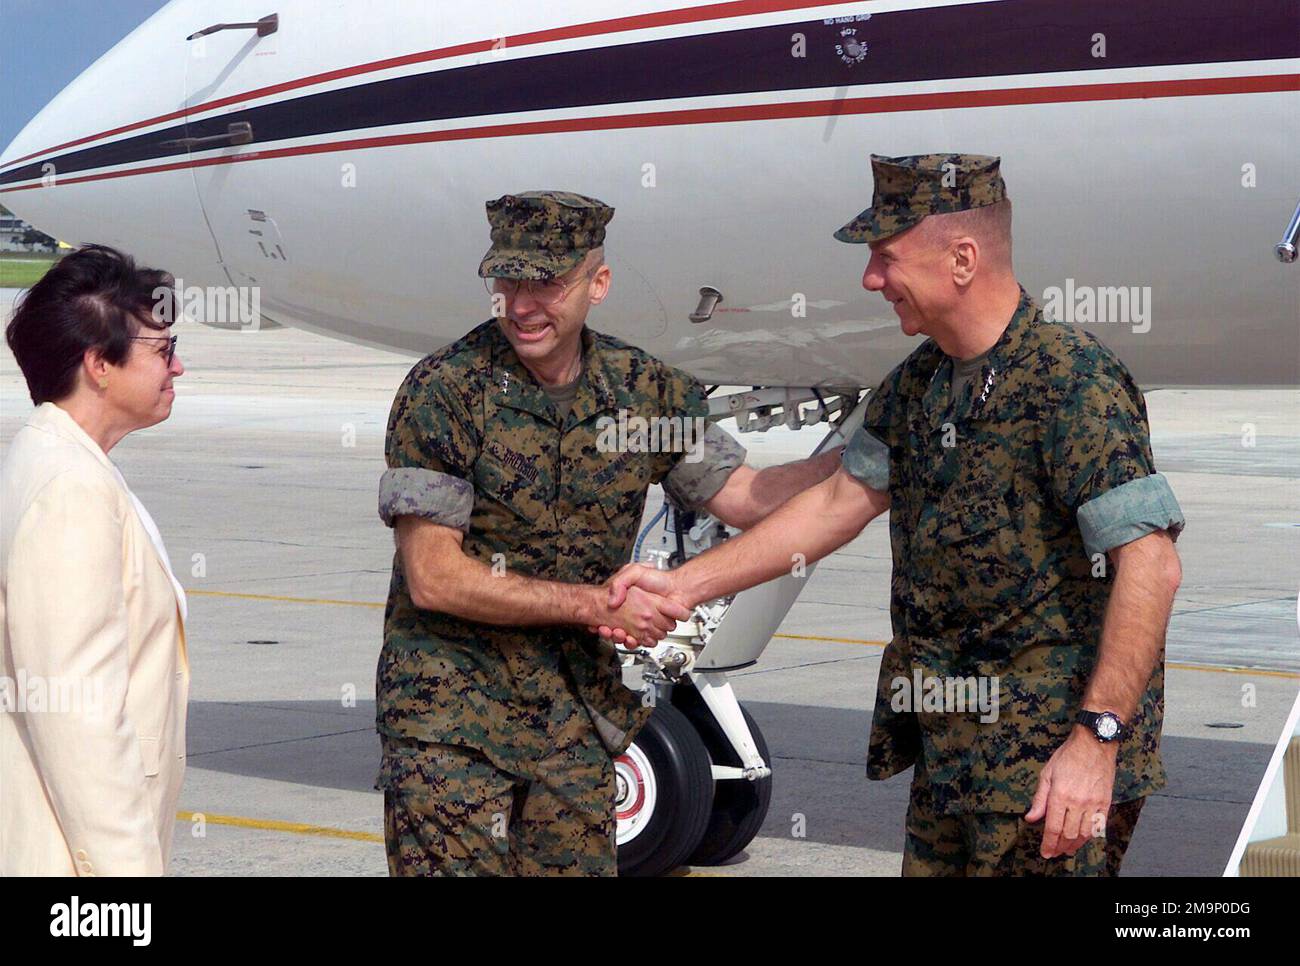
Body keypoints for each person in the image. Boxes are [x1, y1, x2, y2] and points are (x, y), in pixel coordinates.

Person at [605, 155, 1185, 876]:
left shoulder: (1072, 384)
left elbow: (1152, 565)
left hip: (1049, 765)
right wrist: (683, 587)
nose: (870, 280)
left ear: (963, 259)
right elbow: (833, 505)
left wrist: (1096, 741)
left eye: (886, 258)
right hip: (955, 755)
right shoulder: (921, 382)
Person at [375, 190, 842, 876]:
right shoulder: (445, 392)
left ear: (598, 283)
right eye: (508, 282)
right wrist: (594, 605)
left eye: (547, 284)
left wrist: (870, 456)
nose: (524, 305)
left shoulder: (643, 392)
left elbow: (746, 497)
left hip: (574, 727)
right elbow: (435, 577)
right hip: (452, 729)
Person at [1, 243, 190, 876]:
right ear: (99, 365)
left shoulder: (58, 462)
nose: (179, 368)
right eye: (162, 352)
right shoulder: (70, 491)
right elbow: (76, 713)